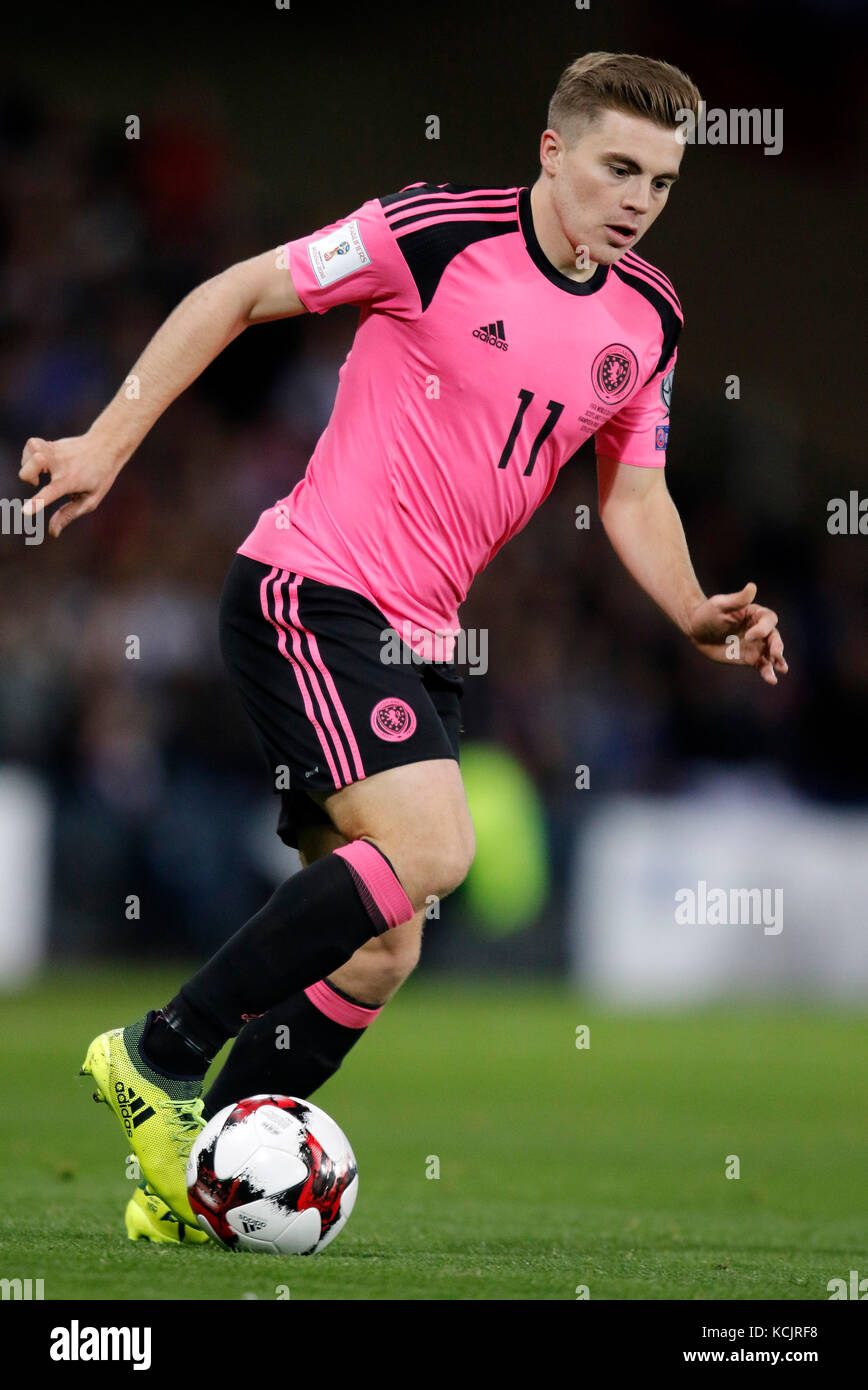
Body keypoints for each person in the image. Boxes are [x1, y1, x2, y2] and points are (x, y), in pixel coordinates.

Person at [19, 51, 787, 1243]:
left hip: (418, 635)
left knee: (382, 948)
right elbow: (234, 291)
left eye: (663, 182)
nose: (638, 201)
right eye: (618, 168)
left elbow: (634, 493)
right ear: (553, 152)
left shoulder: (652, 316)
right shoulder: (431, 234)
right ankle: (153, 1054)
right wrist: (105, 447)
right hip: (310, 590)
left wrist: (693, 611)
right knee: (434, 845)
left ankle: (191, 1183)